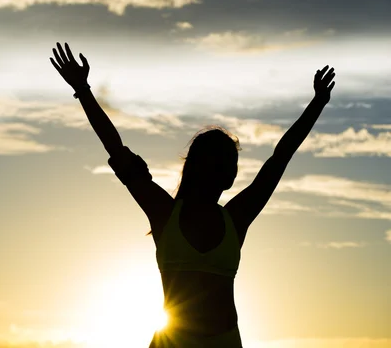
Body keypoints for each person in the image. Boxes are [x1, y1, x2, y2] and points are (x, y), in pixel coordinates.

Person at [50, 42, 336, 347]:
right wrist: (82, 88)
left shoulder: (234, 219)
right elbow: (115, 147)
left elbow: (280, 158)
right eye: (223, 161)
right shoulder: (165, 213)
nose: (230, 170)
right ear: (200, 166)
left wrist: (318, 103)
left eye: (232, 164)